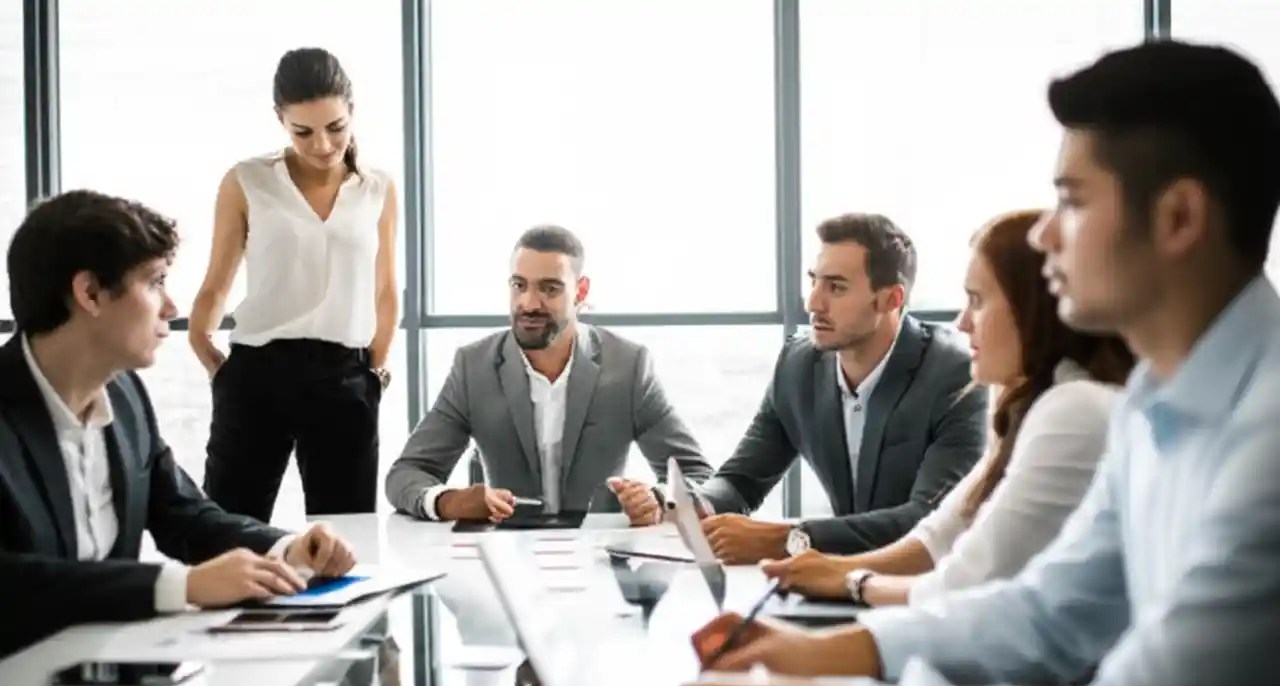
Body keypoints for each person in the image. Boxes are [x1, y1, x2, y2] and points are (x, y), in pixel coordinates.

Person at [641, 41, 1280, 686]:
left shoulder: (1264, 442)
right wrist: (826, 656)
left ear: (1179, 217)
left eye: (1072, 202)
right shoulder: (1148, 407)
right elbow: (1048, 614)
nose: (1042, 240)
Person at [0, 190, 358, 658]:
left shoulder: (125, 398)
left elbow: (184, 515)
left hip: (100, 678)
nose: (170, 306)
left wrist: (288, 550)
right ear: (89, 293)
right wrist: (180, 586)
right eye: (154, 282)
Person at [760, 209, 1133, 608]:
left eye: (977, 300)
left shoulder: (1073, 409)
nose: (962, 323)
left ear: (1032, 310)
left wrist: (849, 580)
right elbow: (937, 539)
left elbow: (962, 580)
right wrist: (830, 571)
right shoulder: (1024, 406)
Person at [689, 214, 987, 563]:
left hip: (923, 588)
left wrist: (791, 539)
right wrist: (696, 503)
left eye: (836, 287)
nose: (812, 303)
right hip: (839, 580)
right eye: (814, 281)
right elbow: (742, 480)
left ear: (891, 299)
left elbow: (929, 522)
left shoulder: (955, 375)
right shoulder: (798, 365)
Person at [189, 47, 398, 522]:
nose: (322, 144)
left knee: (347, 543)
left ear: (352, 113)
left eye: (335, 127)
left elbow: (386, 290)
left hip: (345, 377)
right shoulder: (247, 180)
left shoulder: (377, 188)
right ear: (280, 119)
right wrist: (210, 358)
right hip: (256, 374)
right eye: (303, 131)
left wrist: (376, 373)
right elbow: (215, 284)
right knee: (226, 531)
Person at [386, 225, 712, 523]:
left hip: (598, 555)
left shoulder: (628, 366)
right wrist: (448, 501)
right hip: (506, 556)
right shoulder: (474, 366)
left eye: (550, 289)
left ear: (581, 292)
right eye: (519, 286)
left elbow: (699, 475)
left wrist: (657, 499)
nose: (529, 303)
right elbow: (407, 474)